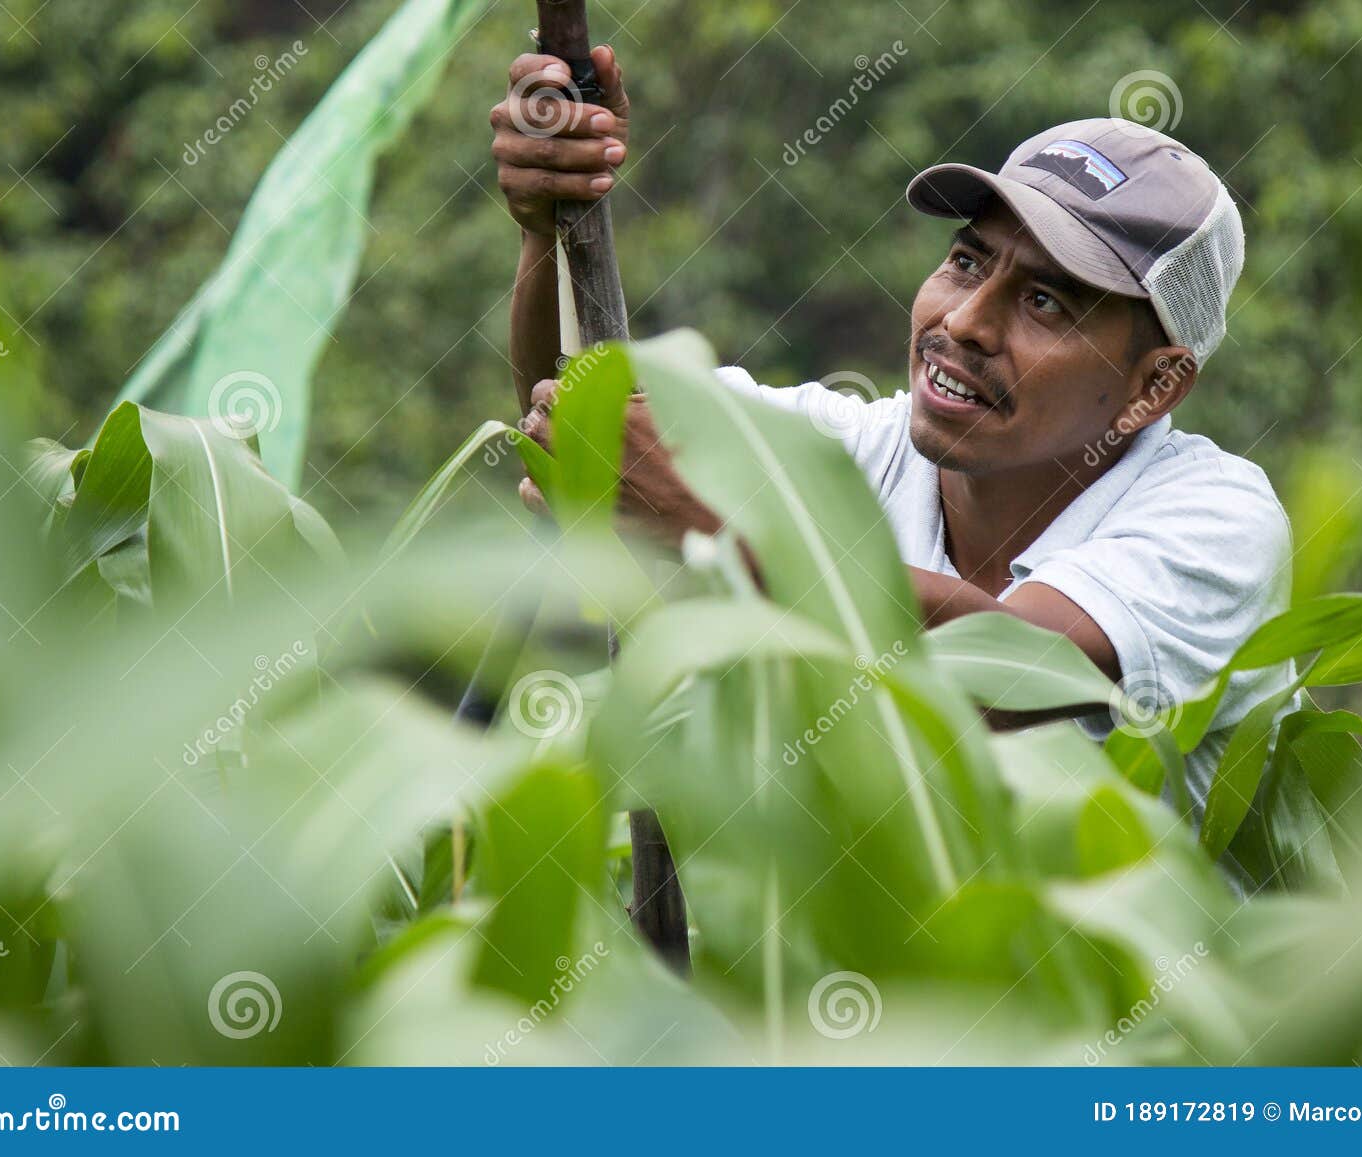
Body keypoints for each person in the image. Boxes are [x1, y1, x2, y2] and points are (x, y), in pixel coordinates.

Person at [489, 45, 1295, 841]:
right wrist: (553, 223)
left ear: (1154, 386)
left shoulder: (1217, 519)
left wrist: (711, 531)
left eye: (1046, 302)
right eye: (966, 261)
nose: (965, 321)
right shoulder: (853, 446)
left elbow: (1004, 671)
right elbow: (576, 416)